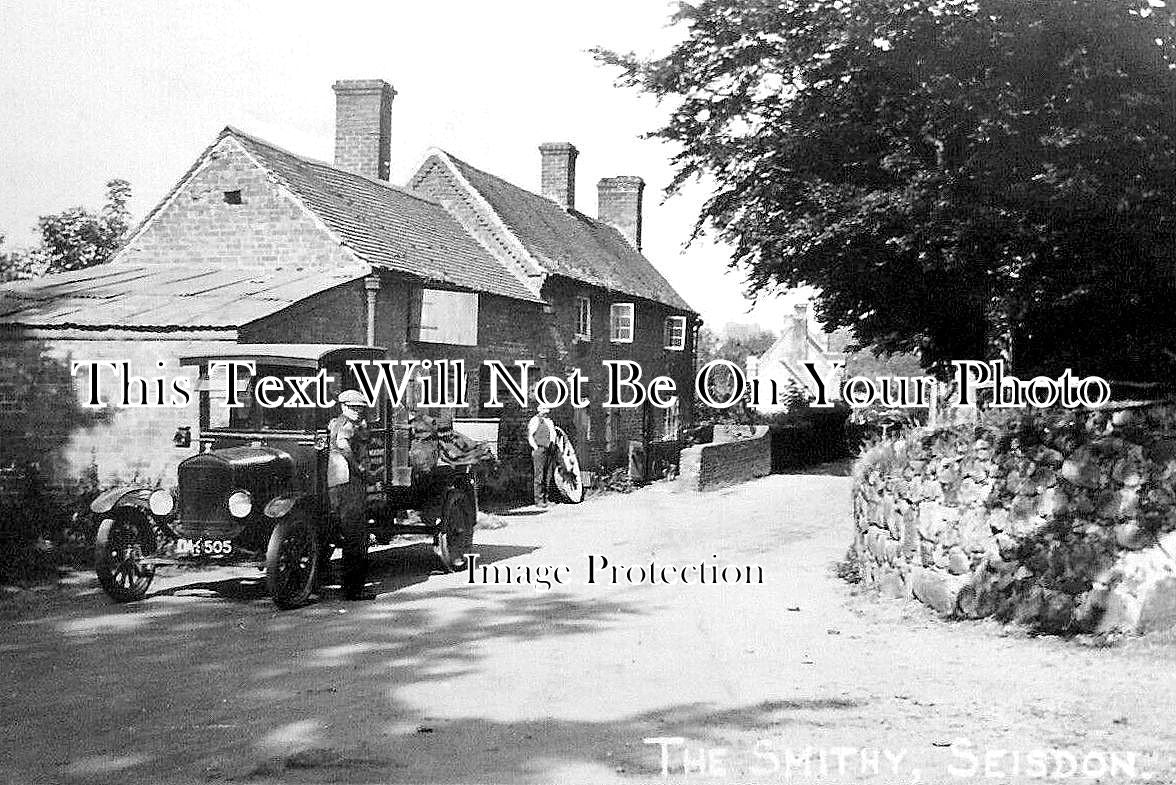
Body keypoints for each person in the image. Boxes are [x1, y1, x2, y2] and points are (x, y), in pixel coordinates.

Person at [327, 389, 374, 600]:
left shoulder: (336, 422)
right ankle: (354, 589)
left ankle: (352, 586)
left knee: (352, 534)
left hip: (339, 483)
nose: (357, 411)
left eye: (359, 408)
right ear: (343, 406)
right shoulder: (346, 424)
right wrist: (358, 467)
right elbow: (343, 445)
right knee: (356, 536)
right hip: (349, 483)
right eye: (353, 407)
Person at [528, 405, 556, 507]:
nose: (547, 412)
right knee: (539, 475)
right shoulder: (535, 420)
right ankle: (539, 500)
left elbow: (553, 434)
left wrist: (552, 445)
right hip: (540, 449)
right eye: (545, 410)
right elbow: (530, 436)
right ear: (540, 410)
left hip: (549, 449)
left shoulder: (549, 421)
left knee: (548, 474)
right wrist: (535, 448)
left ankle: (546, 498)